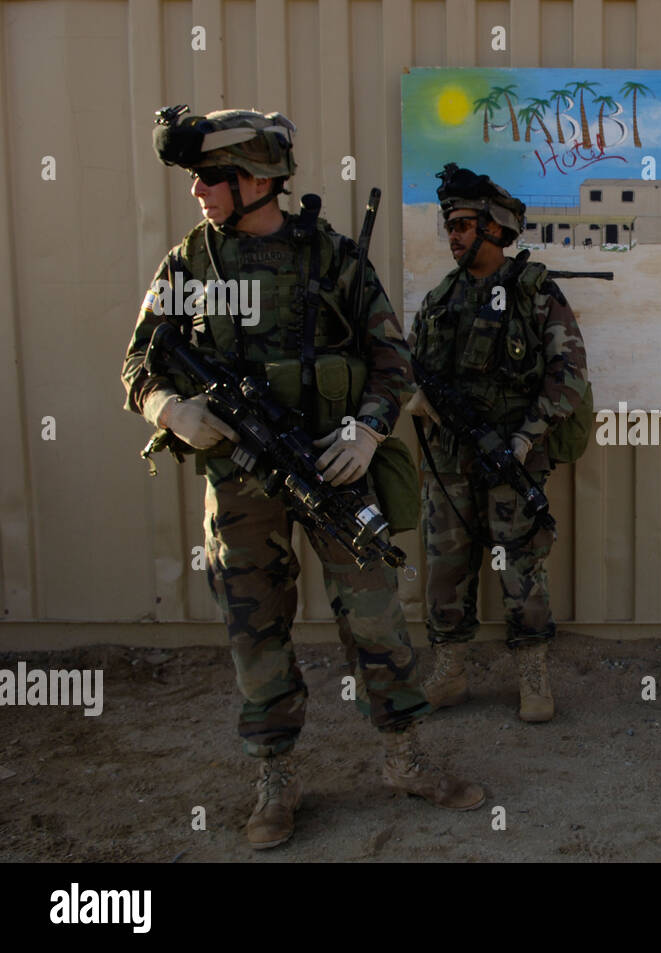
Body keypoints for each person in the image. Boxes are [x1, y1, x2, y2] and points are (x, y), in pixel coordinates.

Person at [121, 106, 485, 850]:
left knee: (376, 613)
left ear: (258, 179)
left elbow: (394, 361)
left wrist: (370, 425)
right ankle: (276, 775)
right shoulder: (190, 264)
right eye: (195, 179)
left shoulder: (334, 259)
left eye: (210, 178)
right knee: (254, 627)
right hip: (241, 486)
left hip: (330, 466)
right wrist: (167, 407)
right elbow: (136, 361)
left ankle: (403, 754)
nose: (198, 193)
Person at [408, 164, 588, 723]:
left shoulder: (534, 291)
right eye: (450, 226)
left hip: (514, 457)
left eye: (463, 224)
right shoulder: (439, 300)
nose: (454, 235)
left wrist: (523, 439)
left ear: (495, 228)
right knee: (445, 565)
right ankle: (450, 670)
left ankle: (533, 673)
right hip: (448, 463)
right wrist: (419, 401)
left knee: (521, 567)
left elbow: (570, 373)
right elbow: (407, 373)